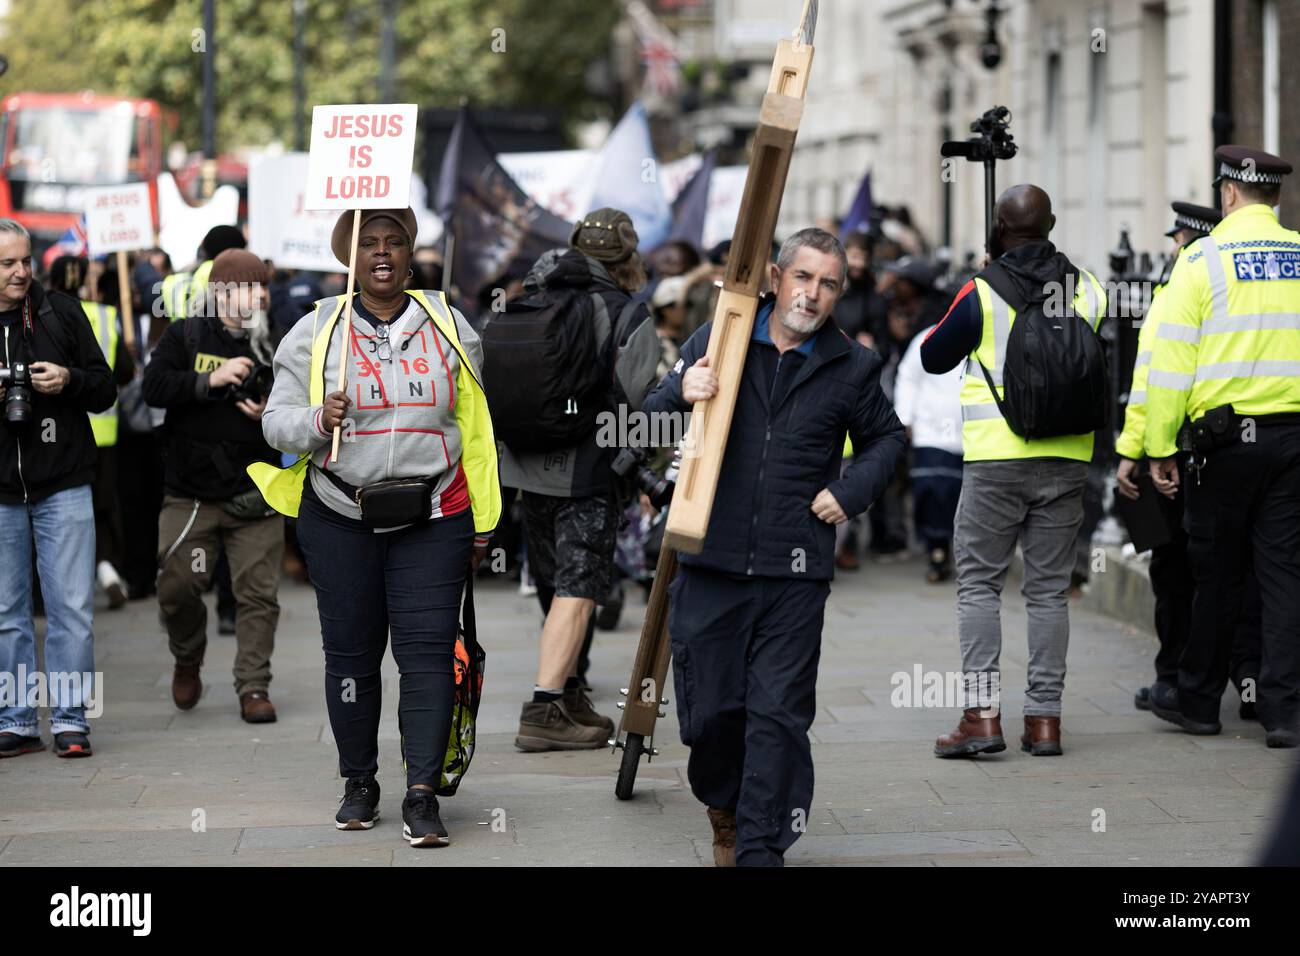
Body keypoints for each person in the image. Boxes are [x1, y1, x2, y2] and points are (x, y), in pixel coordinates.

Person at [643, 227, 906, 866]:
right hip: (710, 560)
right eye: (804, 278)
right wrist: (680, 394)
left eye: (829, 284)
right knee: (711, 717)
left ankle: (761, 845)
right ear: (777, 278)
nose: (813, 295)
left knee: (779, 717)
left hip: (795, 570)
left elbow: (889, 441)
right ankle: (725, 808)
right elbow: (643, 421)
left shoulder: (851, 363)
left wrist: (850, 492)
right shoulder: (719, 341)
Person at [258, 207, 501, 846]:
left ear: (411, 253)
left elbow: (476, 429)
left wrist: (482, 519)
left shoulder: (451, 328)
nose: (383, 252)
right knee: (352, 657)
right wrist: (316, 419)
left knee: (425, 656)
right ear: (350, 258)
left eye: (395, 241)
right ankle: (359, 782)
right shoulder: (315, 330)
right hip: (340, 518)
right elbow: (273, 422)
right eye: (369, 242)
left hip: (434, 516)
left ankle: (422, 793)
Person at [922, 184, 1108, 759]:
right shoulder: (1091, 289)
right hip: (1068, 460)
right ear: (1051, 224)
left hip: (996, 462)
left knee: (979, 585)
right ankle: (1044, 721)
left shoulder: (981, 291)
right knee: (1049, 591)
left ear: (999, 229)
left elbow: (933, 356)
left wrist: (985, 276)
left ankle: (981, 718)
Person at [1146, 145, 1300, 749]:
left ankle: (1199, 701)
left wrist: (1159, 446)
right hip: (1292, 440)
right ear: (1276, 197)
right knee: (1284, 574)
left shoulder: (1202, 260)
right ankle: (1283, 711)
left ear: (1229, 194)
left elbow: (1169, 363)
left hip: (1225, 445)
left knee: (1215, 573)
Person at [497, 208, 660, 752]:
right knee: (578, 586)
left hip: (523, 465)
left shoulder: (531, 298)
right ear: (627, 259)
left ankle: (567, 693)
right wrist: (640, 467)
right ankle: (544, 709)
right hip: (586, 473)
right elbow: (636, 407)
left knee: (553, 582)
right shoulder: (627, 313)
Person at [1113, 202, 1264, 718]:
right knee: (1239, 570)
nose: (1172, 251)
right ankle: (1248, 682)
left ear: (1191, 240)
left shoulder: (1182, 288)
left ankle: (1175, 678)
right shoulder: (1237, 289)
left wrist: (1135, 450)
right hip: (1229, 451)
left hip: (1177, 454)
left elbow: (1151, 380)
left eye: (1177, 241)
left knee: (1175, 572)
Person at [143, 248, 285, 724]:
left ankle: (253, 686)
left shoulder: (274, 343)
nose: (257, 295)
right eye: (247, 286)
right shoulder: (185, 334)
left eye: (260, 286)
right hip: (192, 494)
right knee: (177, 587)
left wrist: (271, 412)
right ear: (222, 291)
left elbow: (302, 405)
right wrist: (211, 380)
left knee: (259, 596)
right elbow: (154, 387)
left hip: (255, 494)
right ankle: (187, 656)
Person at [0, 218, 116, 759]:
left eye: (24, 260)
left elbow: (106, 388)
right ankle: (18, 720)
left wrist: (68, 380)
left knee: (72, 608)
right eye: (7, 264)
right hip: (1, 490)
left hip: (64, 482)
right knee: (7, 611)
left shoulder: (60, 312)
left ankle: (71, 720)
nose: (20, 272)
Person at [50, 257, 136, 609]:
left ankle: (65, 581)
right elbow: (124, 372)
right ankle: (107, 568)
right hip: (105, 430)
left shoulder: (42, 316)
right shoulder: (104, 314)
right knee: (103, 505)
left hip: (57, 434)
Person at [893, 317, 963, 582]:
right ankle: (936, 550)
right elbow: (908, 377)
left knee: (957, 495)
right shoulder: (928, 337)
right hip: (931, 432)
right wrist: (905, 418)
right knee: (932, 489)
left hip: (972, 434)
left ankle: (952, 550)